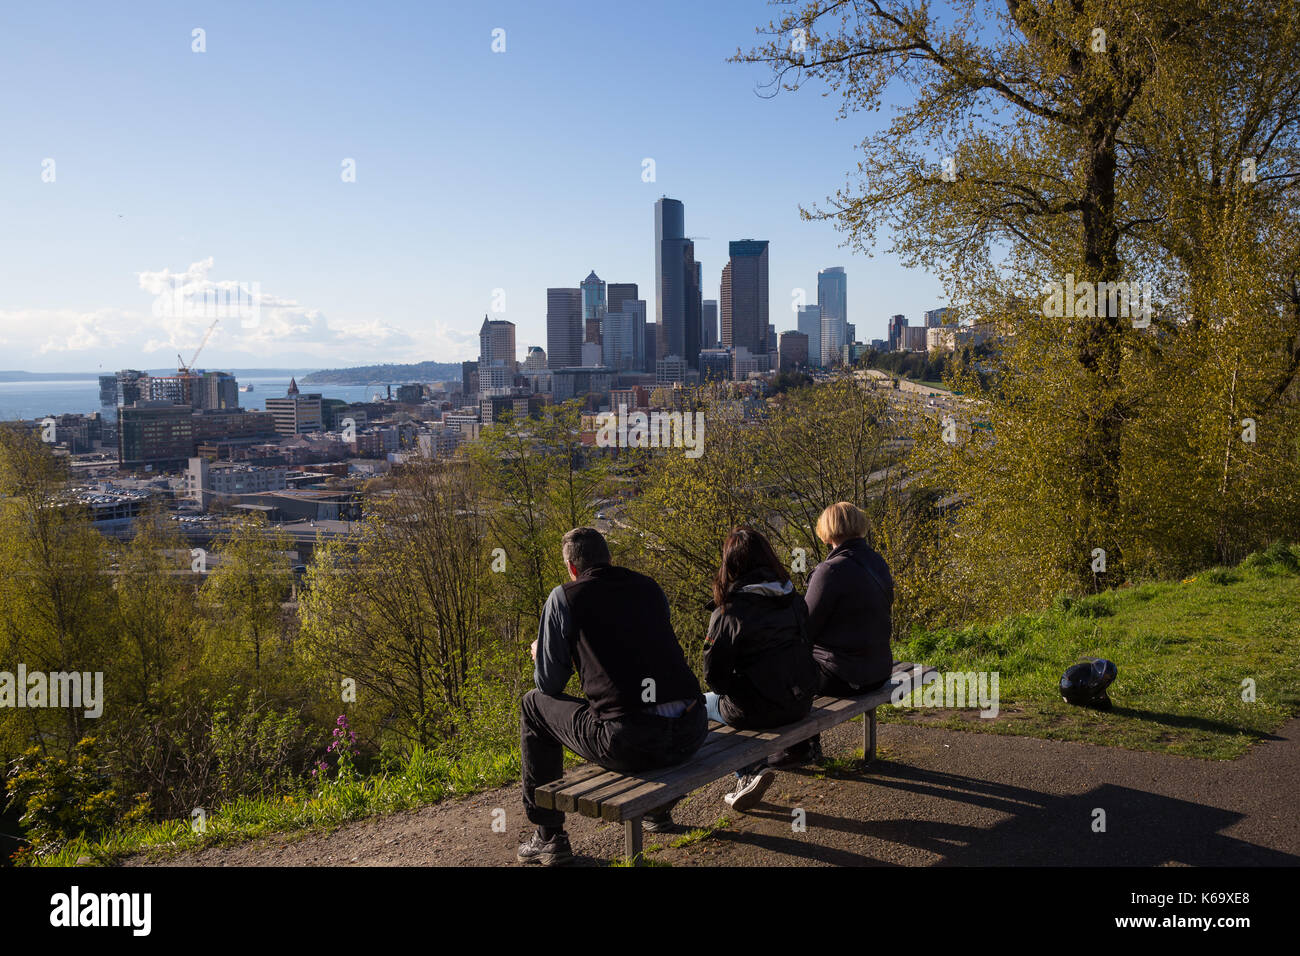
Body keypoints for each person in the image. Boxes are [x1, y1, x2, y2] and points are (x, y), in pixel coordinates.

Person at [518, 527, 707, 865]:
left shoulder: (564, 597)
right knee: (645, 709)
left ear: (572, 569)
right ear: (609, 559)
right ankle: (658, 809)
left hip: (631, 741)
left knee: (533, 704)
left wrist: (542, 653)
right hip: (692, 728)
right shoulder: (650, 588)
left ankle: (549, 835)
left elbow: (550, 685)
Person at [769, 501, 894, 767]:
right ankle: (803, 746)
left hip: (848, 677)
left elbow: (805, 628)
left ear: (827, 530)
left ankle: (798, 748)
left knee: (787, 669)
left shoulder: (829, 571)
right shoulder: (877, 562)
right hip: (880, 670)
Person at [703, 527, 818, 810]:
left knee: (697, 706)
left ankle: (747, 772)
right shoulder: (793, 598)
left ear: (730, 564)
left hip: (756, 711)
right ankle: (798, 748)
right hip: (800, 701)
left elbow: (715, 678)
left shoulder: (729, 612)